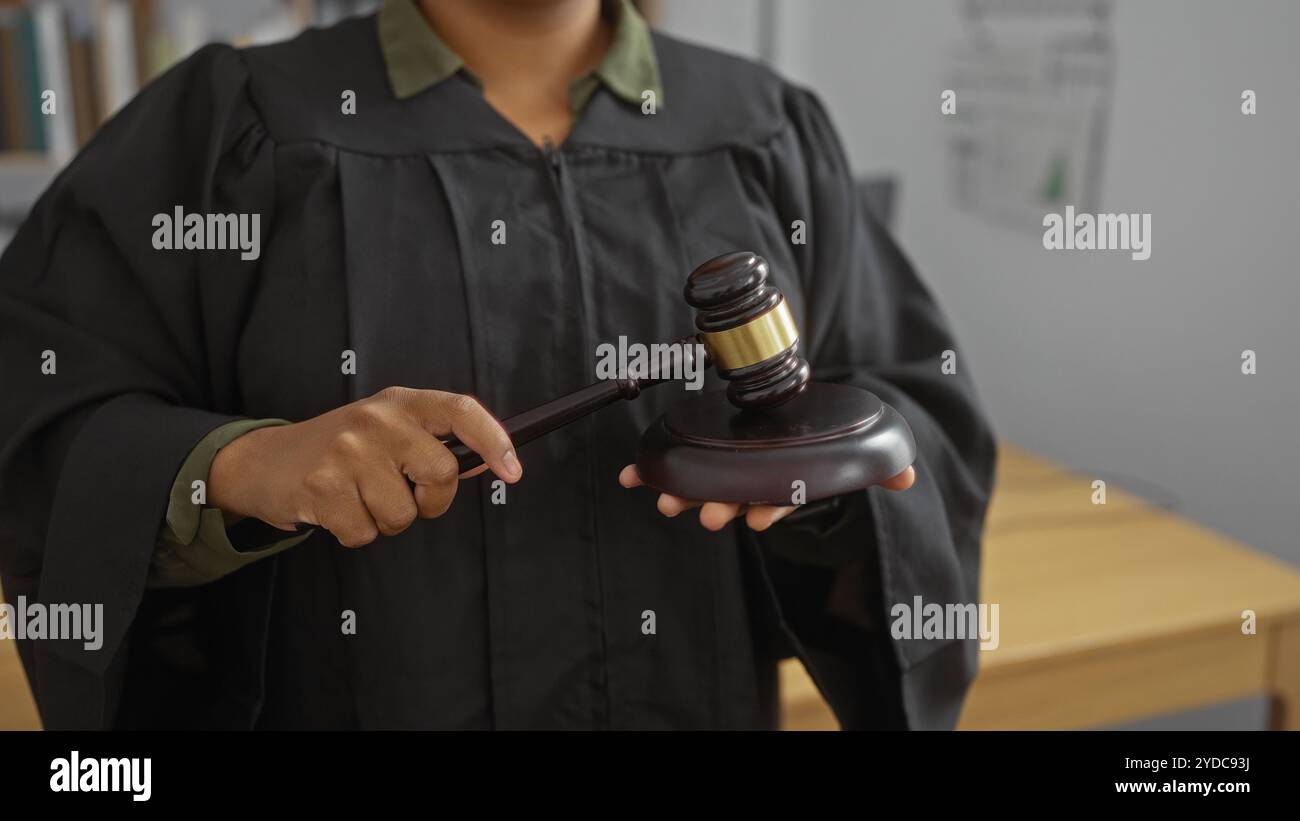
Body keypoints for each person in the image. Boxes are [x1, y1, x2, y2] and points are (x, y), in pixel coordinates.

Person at [0, 0, 995, 729]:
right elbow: (37, 401)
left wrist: (829, 486)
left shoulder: (765, 127)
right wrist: (240, 465)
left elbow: (908, 410)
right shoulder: (236, 121)